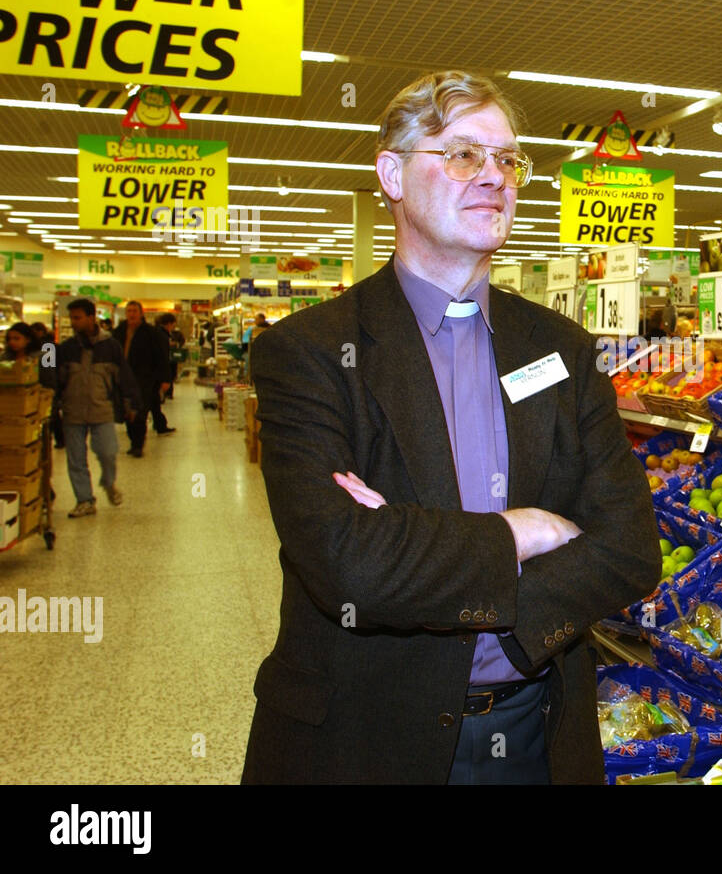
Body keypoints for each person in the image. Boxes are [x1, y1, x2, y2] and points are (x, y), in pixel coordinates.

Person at [242, 71, 659, 785]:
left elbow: (630, 550)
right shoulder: (310, 353)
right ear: (392, 175)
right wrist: (527, 532)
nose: (494, 177)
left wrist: (414, 544)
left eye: (507, 160)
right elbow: (350, 565)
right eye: (464, 154)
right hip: (363, 738)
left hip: (537, 728)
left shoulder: (561, 349)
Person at [54, 298, 141, 517]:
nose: (73, 322)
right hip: (72, 411)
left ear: (92, 318)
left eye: (77, 317)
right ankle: (85, 500)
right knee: (76, 458)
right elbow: (54, 379)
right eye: (71, 318)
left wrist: (132, 403)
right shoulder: (65, 348)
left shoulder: (110, 346)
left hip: (101, 409)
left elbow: (124, 376)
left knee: (107, 451)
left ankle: (109, 482)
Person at [112, 301, 173, 454]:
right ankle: (134, 440)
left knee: (141, 411)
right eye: (129, 311)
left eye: (134, 311)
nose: (131, 314)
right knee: (127, 412)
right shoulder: (119, 331)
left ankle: (138, 445)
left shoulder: (151, 333)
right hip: (123, 378)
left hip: (144, 379)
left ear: (141, 313)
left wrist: (165, 379)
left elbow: (161, 357)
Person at [156, 313, 184, 400]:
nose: (173, 327)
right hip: (161, 366)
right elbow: (163, 355)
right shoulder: (162, 335)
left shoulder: (160, 333)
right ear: (169, 324)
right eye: (173, 325)